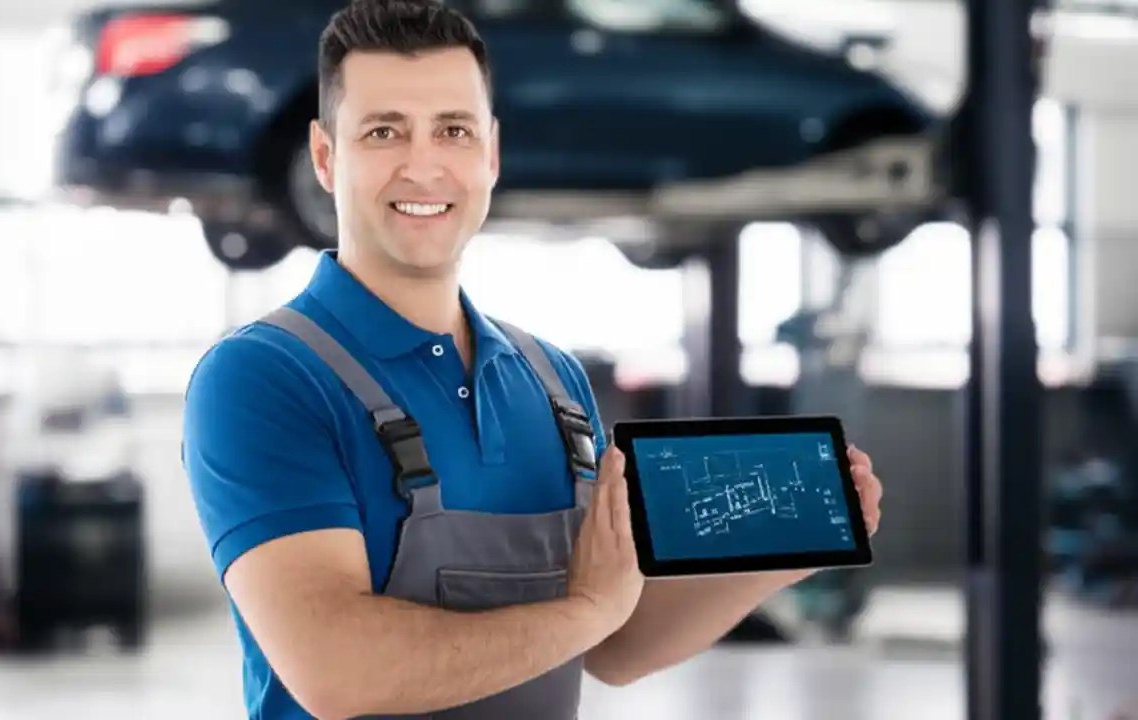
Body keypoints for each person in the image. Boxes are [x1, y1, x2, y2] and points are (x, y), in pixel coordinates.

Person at [181, 1, 885, 718]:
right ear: (327, 157)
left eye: (452, 131)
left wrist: (778, 558)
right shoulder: (263, 378)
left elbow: (618, 640)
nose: (423, 165)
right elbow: (339, 670)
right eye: (384, 131)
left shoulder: (551, 382)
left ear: (490, 154)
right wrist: (584, 612)